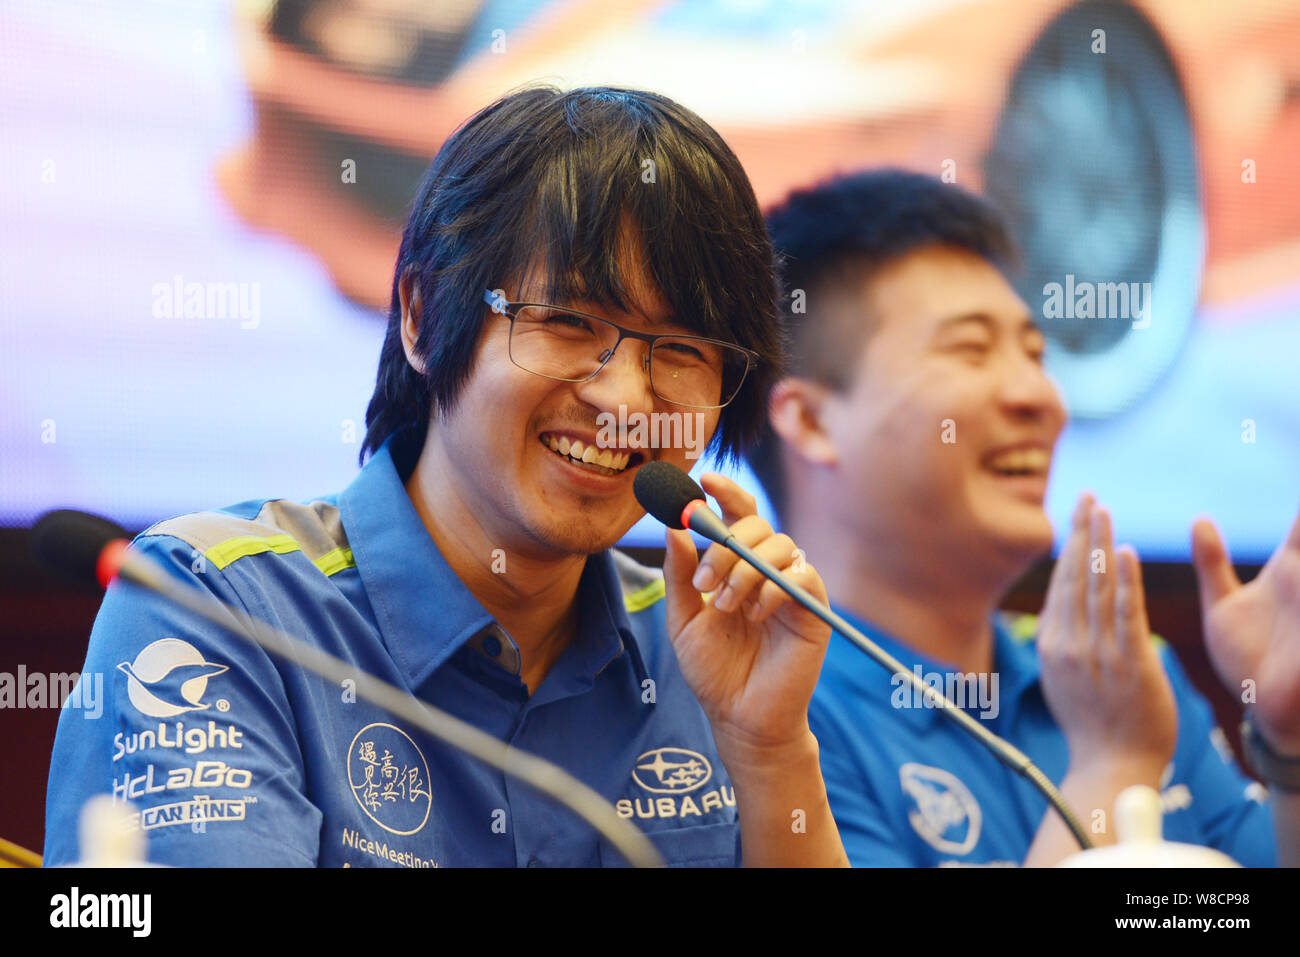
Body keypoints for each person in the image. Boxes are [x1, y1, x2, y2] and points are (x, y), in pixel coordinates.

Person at [44, 86, 848, 867]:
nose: (625, 399)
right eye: (568, 321)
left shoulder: (704, 654)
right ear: (424, 318)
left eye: (679, 349)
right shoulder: (216, 607)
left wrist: (770, 748)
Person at [747, 169, 1300, 866]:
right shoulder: (764, 716)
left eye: (1036, 355)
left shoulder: (1115, 673)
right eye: (971, 349)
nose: (1042, 396)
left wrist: (1288, 744)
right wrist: (1111, 764)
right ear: (809, 419)